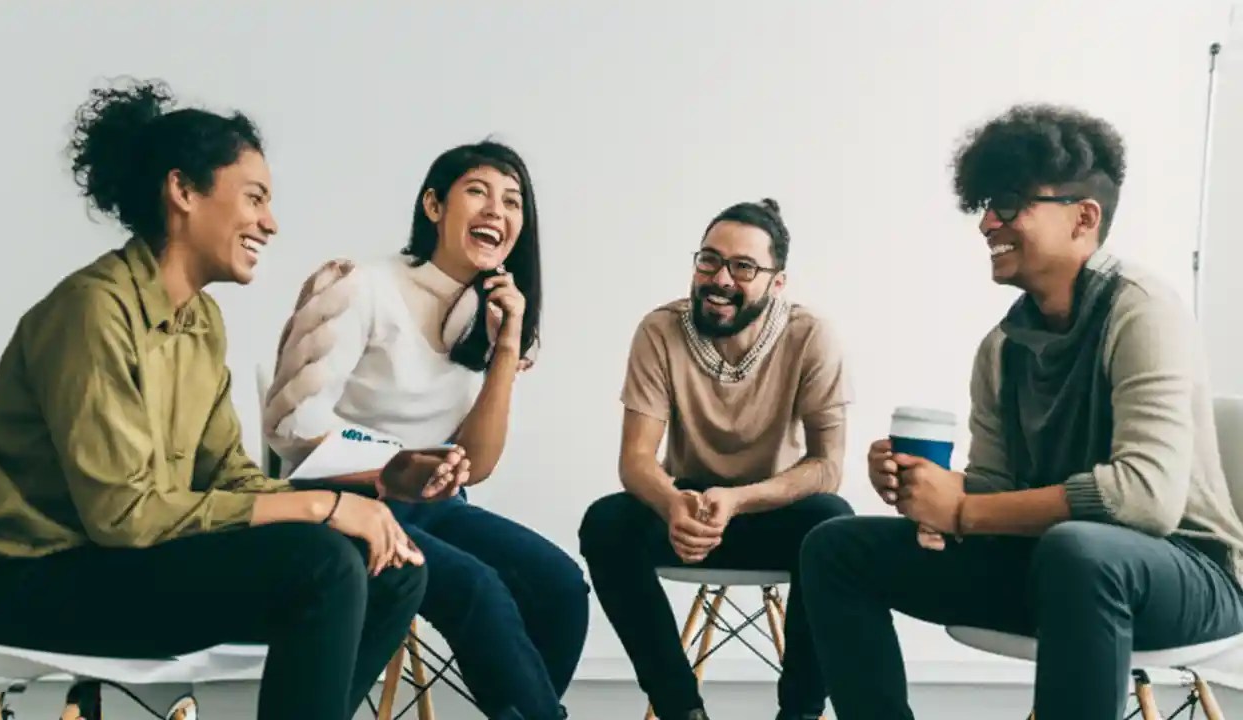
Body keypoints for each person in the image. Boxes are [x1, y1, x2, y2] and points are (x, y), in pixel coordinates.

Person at [0, 78, 455, 720]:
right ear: (184, 191)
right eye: (255, 197)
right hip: (33, 581)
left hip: (125, 568)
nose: (270, 222)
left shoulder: (200, 324)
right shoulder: (93, 312)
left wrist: (368, 494)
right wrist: (324, 507)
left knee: (394, 565)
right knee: (326, 562)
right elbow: (125, 516)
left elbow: (229, 477)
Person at [801, 104, 1243, 720]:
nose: (987, 222)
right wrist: (931, 490)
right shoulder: (1003, 348)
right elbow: (996, 493)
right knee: (835, 547)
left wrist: (964, 507)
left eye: (1009, 202)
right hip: (1056, 566)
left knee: (1080, 551)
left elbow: (1148, 497)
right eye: (985, 204)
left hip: (1187, 570)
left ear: (1083, 218)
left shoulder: (1143, 313)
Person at [264, 140, 589, 720]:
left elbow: (478, 464)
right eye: (478, 192)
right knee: (479, 588)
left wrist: (507, 347)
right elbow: (292, 424)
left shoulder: (492, 318)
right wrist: (396, 463)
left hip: (430, 504)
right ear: (435, 206)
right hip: (341, 498)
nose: (498, 211)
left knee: (560, 587)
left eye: (513, 201)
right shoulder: (359, 286)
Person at [577, 198, 854, 720]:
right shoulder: (660, 330)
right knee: (606, 523)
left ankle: (799, 713)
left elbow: (827, 466)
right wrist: (670, 501)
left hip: (773, 509)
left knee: (834, 524)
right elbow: (636, 458)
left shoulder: (811, 335)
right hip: (687, 507)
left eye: (743, 266)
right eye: (709, 260)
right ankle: (680, 708)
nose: (720, 278)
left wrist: (740, 499)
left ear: (777, 281)